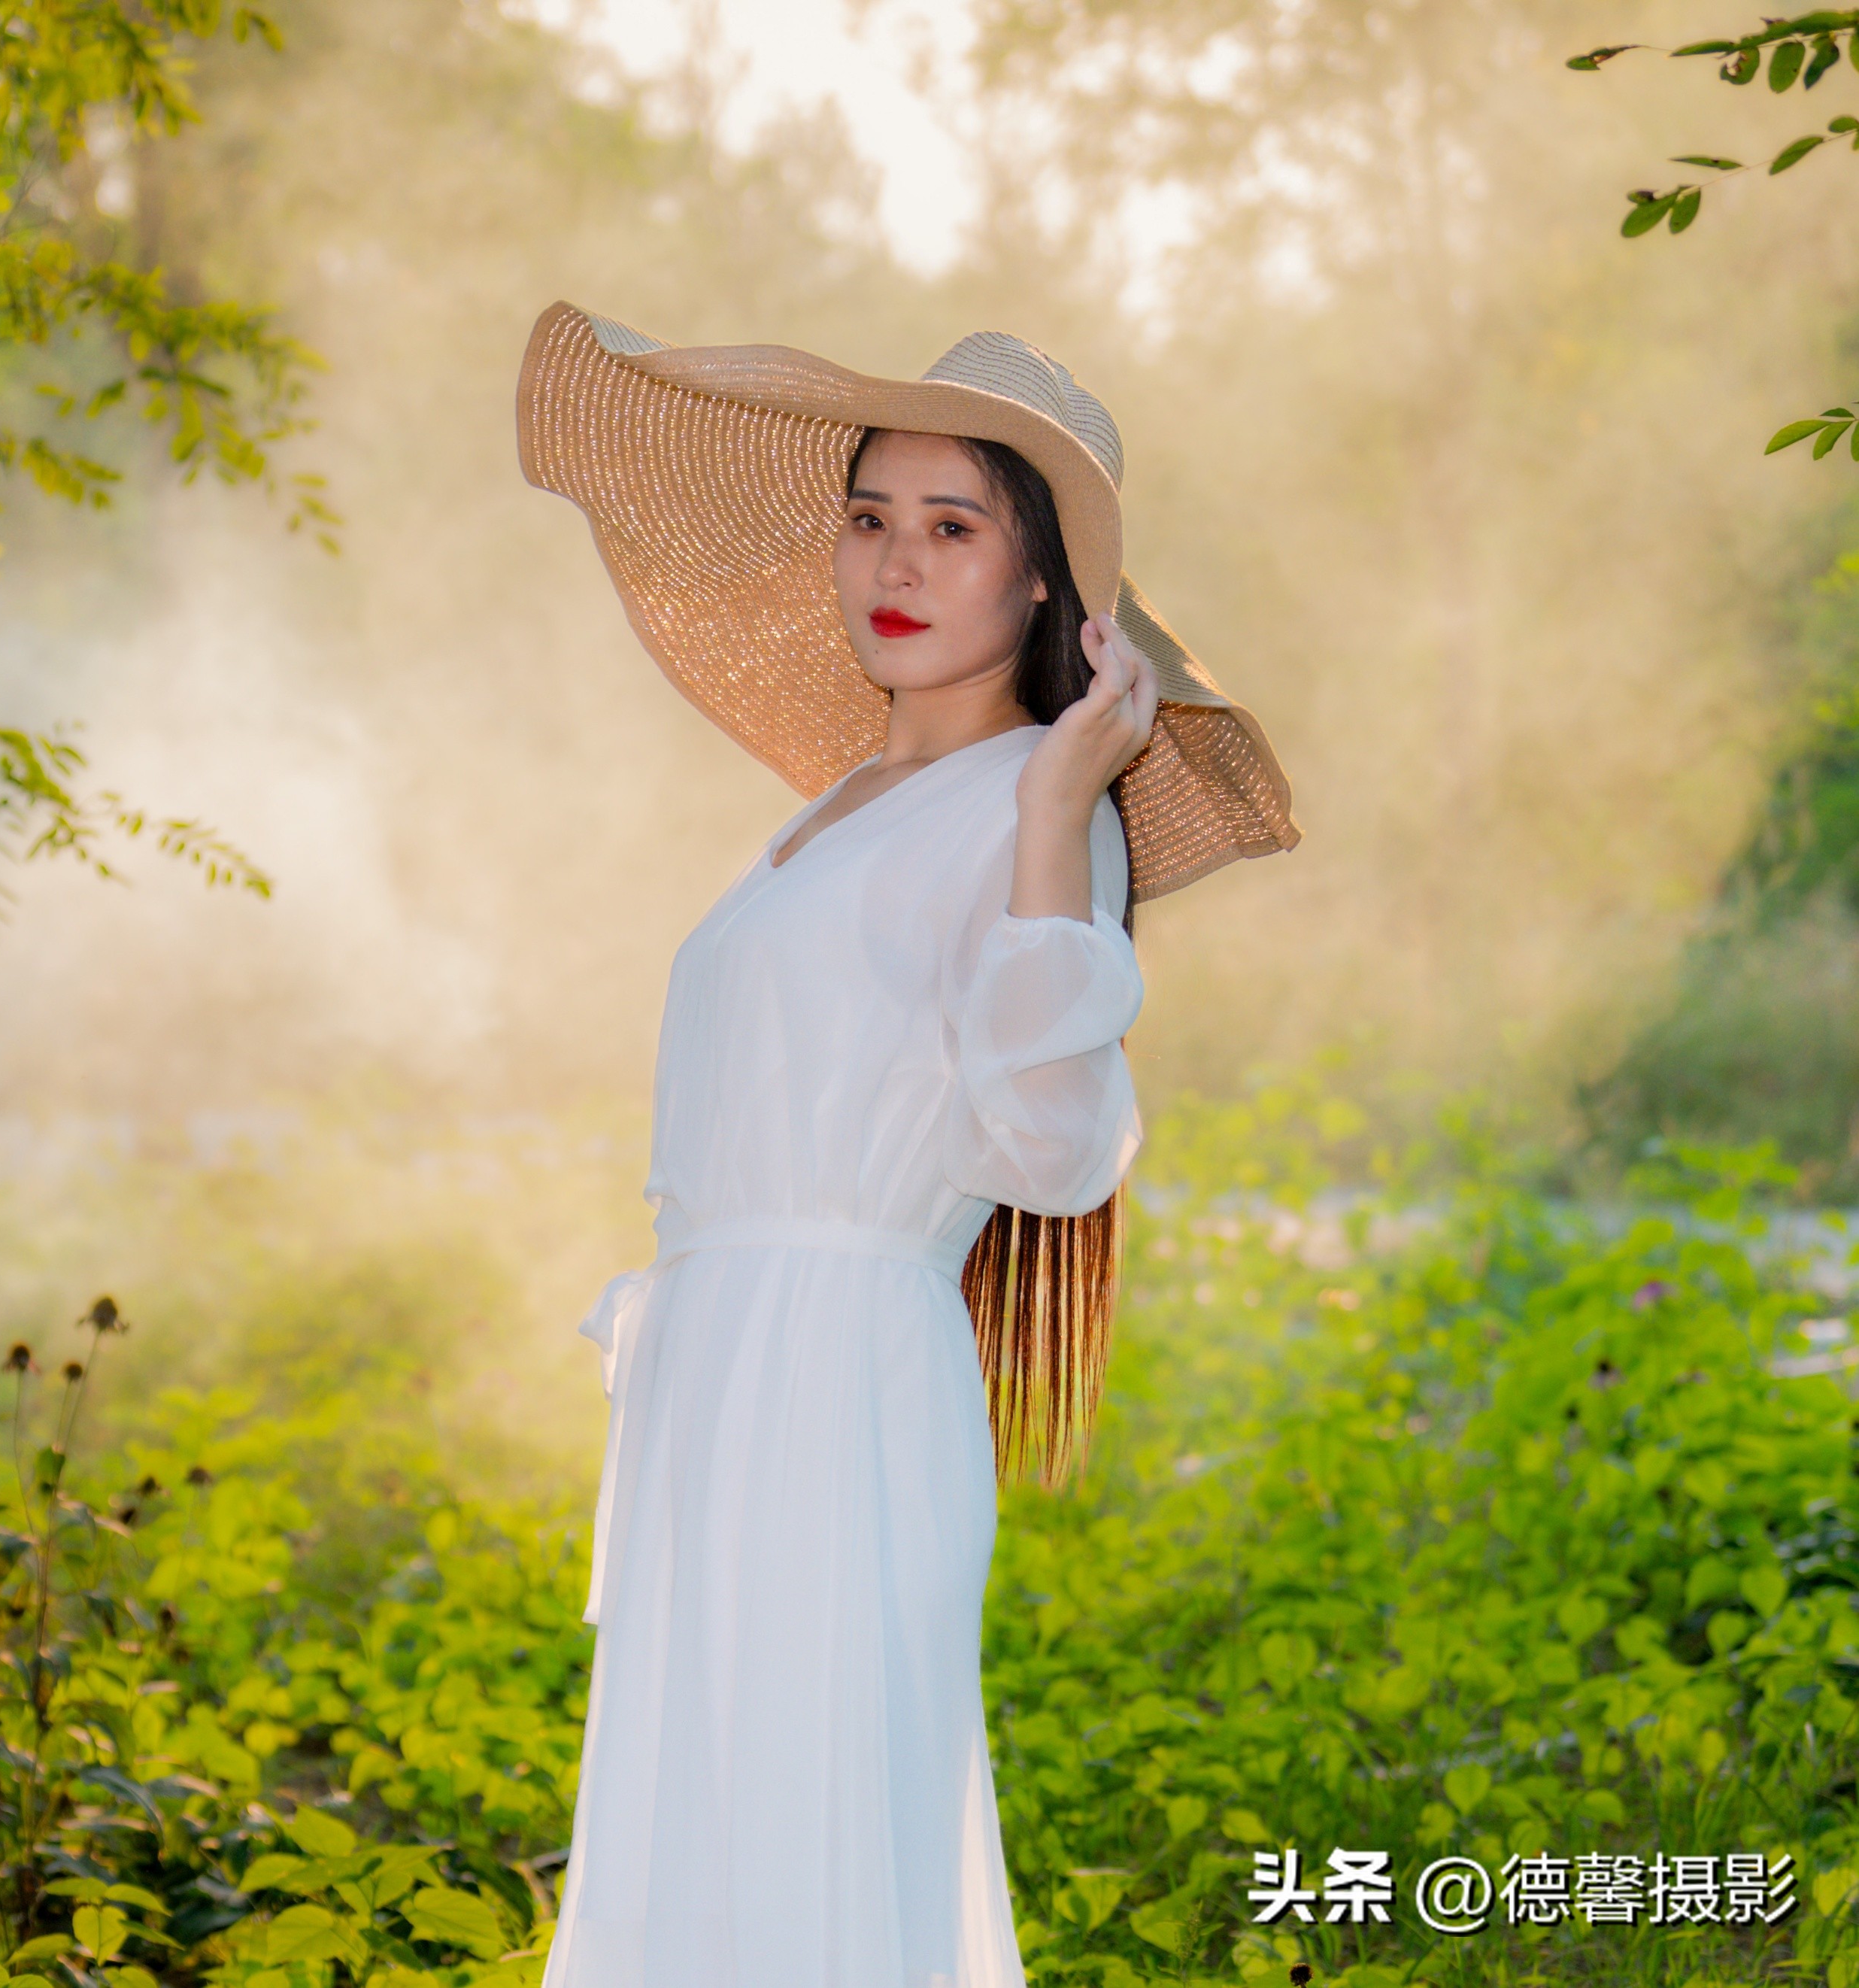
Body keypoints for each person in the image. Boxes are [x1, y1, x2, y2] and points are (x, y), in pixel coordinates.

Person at [514, 304, 1299, 1988]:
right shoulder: (822, 812)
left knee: (815, 1821)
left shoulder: (1042, 808)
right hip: (717, 1369)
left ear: (1042, 587)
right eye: (872, 515)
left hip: (846, 1373)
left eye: (956, 528)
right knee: (707, 1821)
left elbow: (1049, 1138)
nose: (899, 559)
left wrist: (1050, 802)